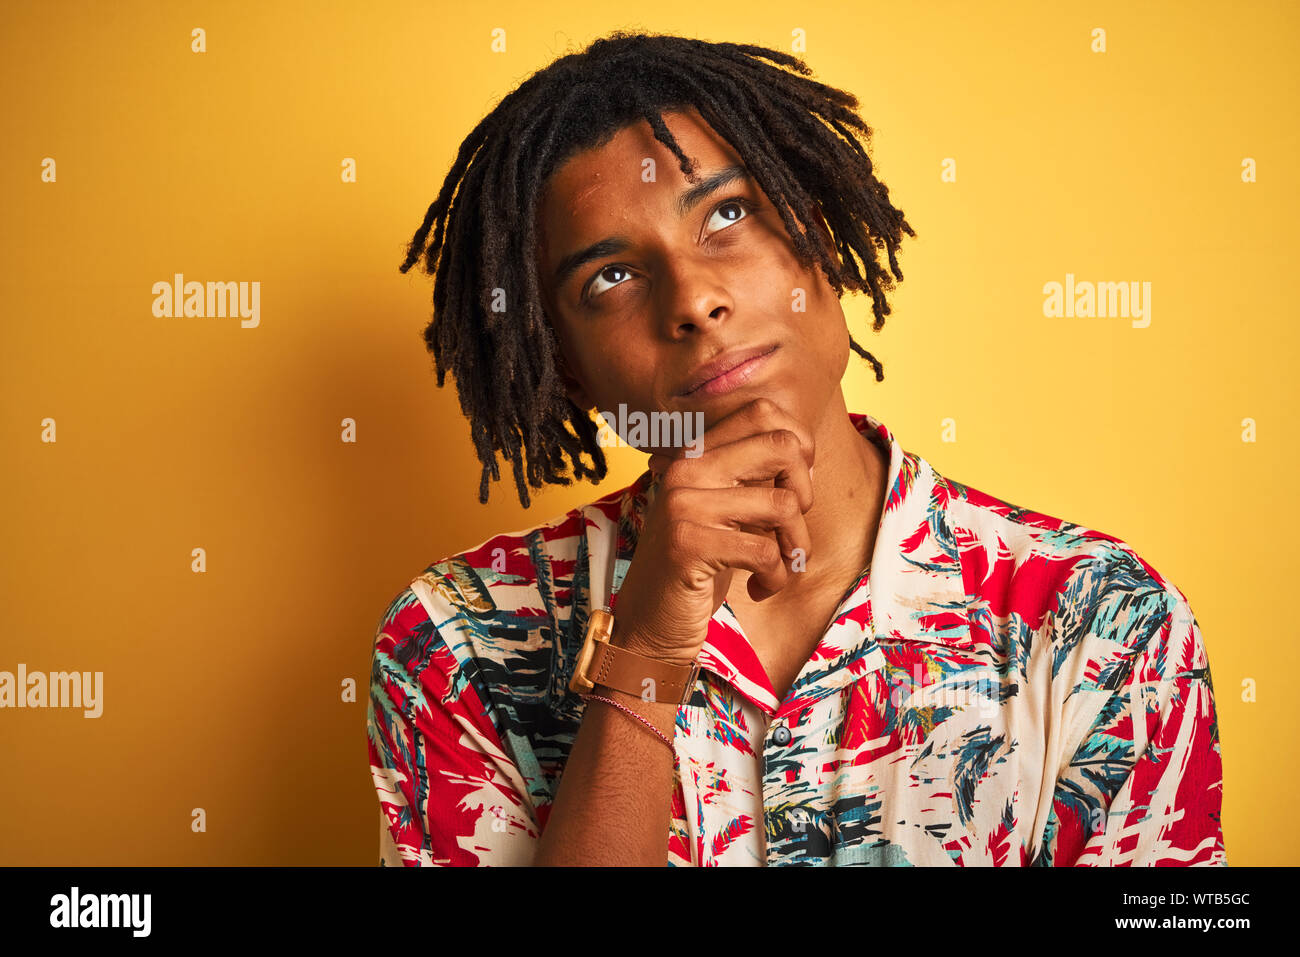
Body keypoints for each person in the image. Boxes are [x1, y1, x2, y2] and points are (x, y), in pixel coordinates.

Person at [367, 31, 1225, 866]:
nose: (695, 299)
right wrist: (650, 654)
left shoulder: (1098, 624)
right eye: (611, 277)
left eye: (727, 214)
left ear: (818, 237)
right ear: (566, 368)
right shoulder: (455, 647)